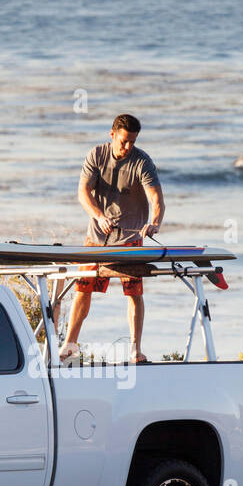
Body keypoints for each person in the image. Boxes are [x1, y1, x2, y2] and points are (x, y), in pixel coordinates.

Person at [60, 113, 164, 364]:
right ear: (112, 134)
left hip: (130, 239)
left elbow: (156, 199)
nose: (128, 147)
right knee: (82, 290)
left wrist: (155, 223)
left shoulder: (142, 162)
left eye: (133, 142)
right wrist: (98, 216)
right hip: (97, 237)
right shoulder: (96, 155)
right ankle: (69, 345)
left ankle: (135, 350)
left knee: (133, 293)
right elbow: (83, 192)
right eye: (124, 141)